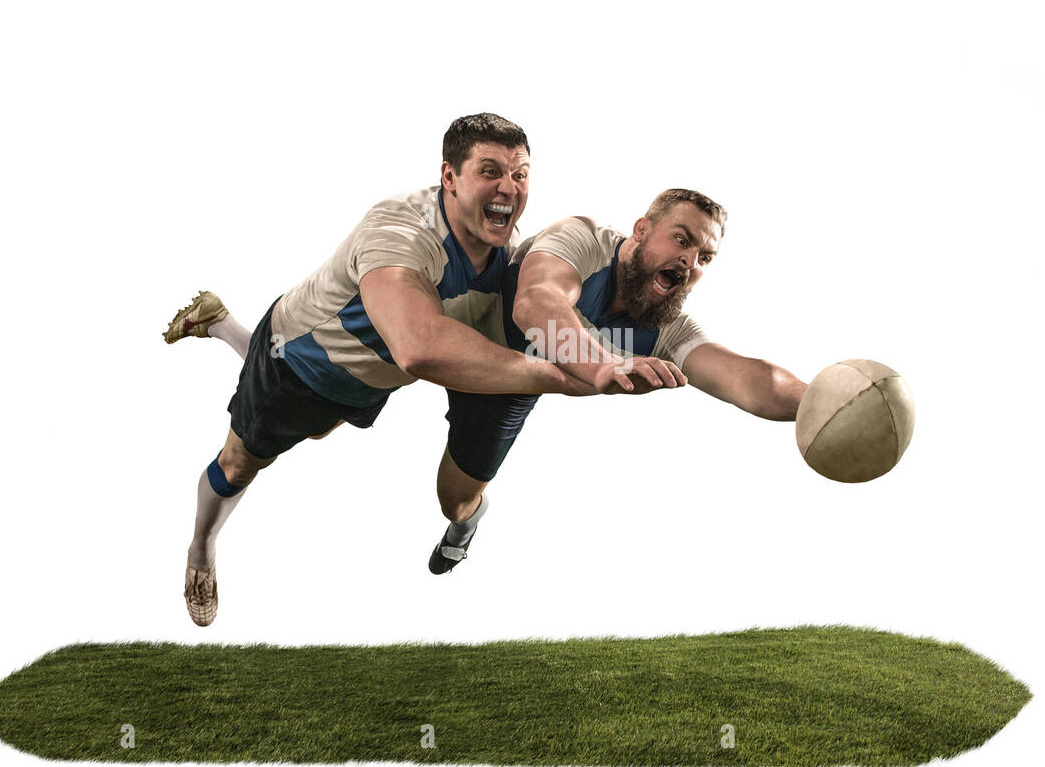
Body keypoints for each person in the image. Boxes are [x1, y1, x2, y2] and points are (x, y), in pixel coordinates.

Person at [169, 113, 681, 626]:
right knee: (242, 463)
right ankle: (200, 551)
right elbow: (418, 346)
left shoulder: (502, 238)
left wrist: (602, 348)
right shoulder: (400, 231)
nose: (508, 186)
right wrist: (558, 376)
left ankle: (220, 321)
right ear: (449, 177)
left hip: (369, 375)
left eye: (520, 174)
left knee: (320, 428)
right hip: (300, 361)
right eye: (490, 171)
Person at [169, 186, 807, 583]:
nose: (690, 262)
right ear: (641, 230)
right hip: (448, 333)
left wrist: (817, 402)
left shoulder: (664, 323)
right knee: (311, 408)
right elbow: (536, 303)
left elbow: (748, 376)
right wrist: (599, 366)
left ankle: (462, 528)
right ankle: (240, 342)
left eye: (705, 258)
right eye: (682, 240)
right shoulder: (582, 239)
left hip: (506, 384)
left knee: (451, 495)